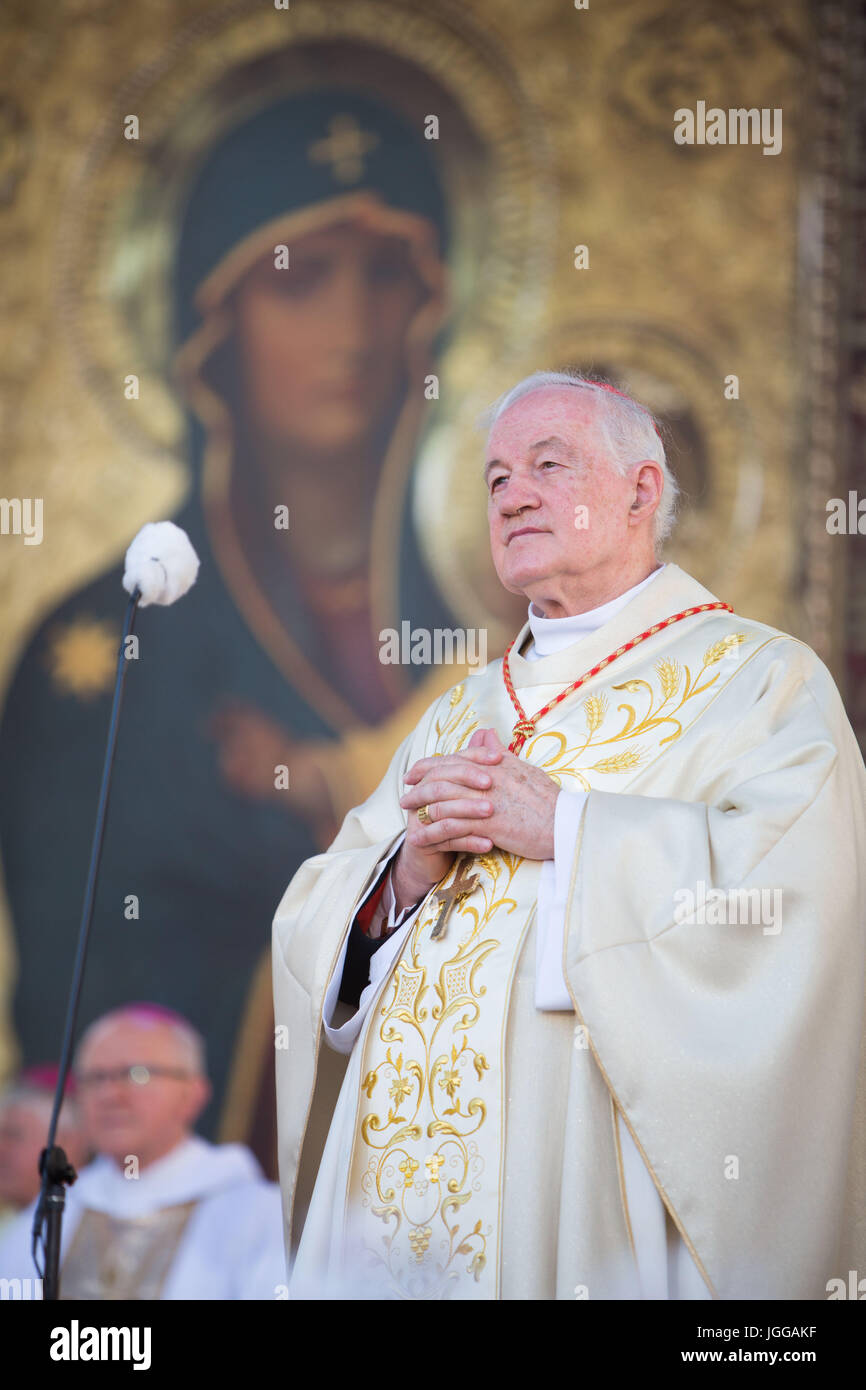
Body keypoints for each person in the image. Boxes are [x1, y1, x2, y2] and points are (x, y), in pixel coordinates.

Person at [272, 370, 866, 1301]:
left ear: (641, 491)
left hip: (581, 1165)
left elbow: (797, 900)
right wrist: (406, 873)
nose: (512, 496)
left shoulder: (759, 682)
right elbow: (315, 922)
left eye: (548, 465)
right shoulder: (458, 709)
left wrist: (569, 826)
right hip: (398, 1178)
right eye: (496, 478)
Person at [0, 1003, 285, 1298]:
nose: (111, 1094)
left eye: (137, 1074)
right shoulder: (54, 1213)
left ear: (193, 1093)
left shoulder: (258, 1216)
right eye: (95, 1077)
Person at [0, 1068, 87, 1237]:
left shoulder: (91, 1227)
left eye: (14, 1135)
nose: (1, 1149)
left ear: (66, 1144)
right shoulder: (10, 1226)